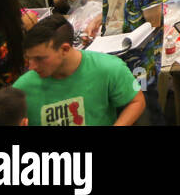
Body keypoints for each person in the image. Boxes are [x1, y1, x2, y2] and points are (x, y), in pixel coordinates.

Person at [15, 14, 146, 126]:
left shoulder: (109, 68)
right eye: (29, 59)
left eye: (39, 59)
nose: (31, 67)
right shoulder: (22, 88)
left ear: (65, 49)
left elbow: (136, 101)